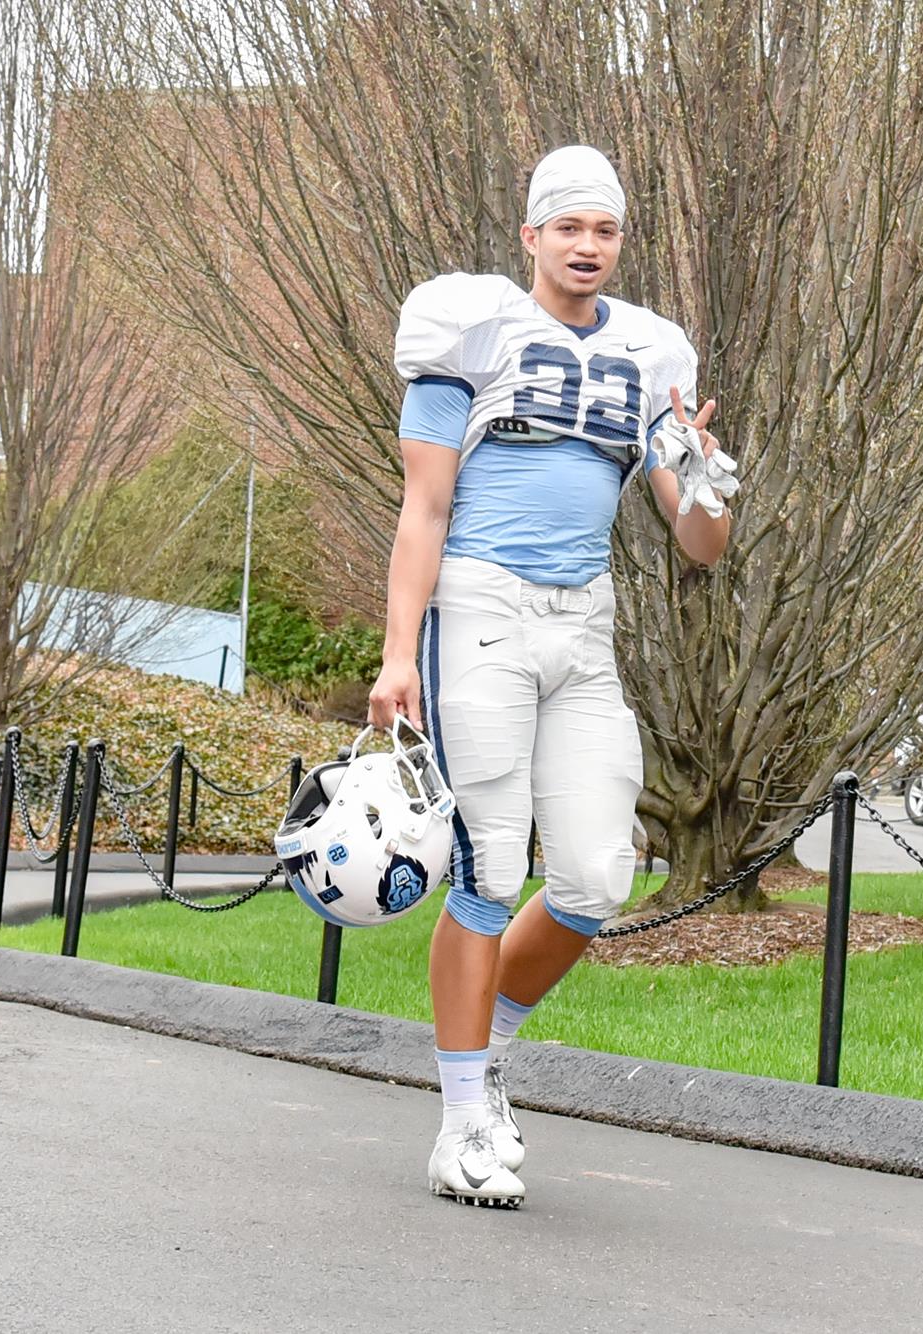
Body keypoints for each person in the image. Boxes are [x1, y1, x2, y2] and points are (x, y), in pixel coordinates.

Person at [369, 144, 737, 1208]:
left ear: (621, 242)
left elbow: (698, 544)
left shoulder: (649, 353)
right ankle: (457, 1119)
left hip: (582, 624)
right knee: (488, 868)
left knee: (589, 877)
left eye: (604, 229)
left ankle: (486, 1058)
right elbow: (424, 508)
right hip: (480, 605)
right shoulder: (473, 328)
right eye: (566, 226)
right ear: (529, 236)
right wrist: (401, 651)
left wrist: (707, 482)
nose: (586, 245)